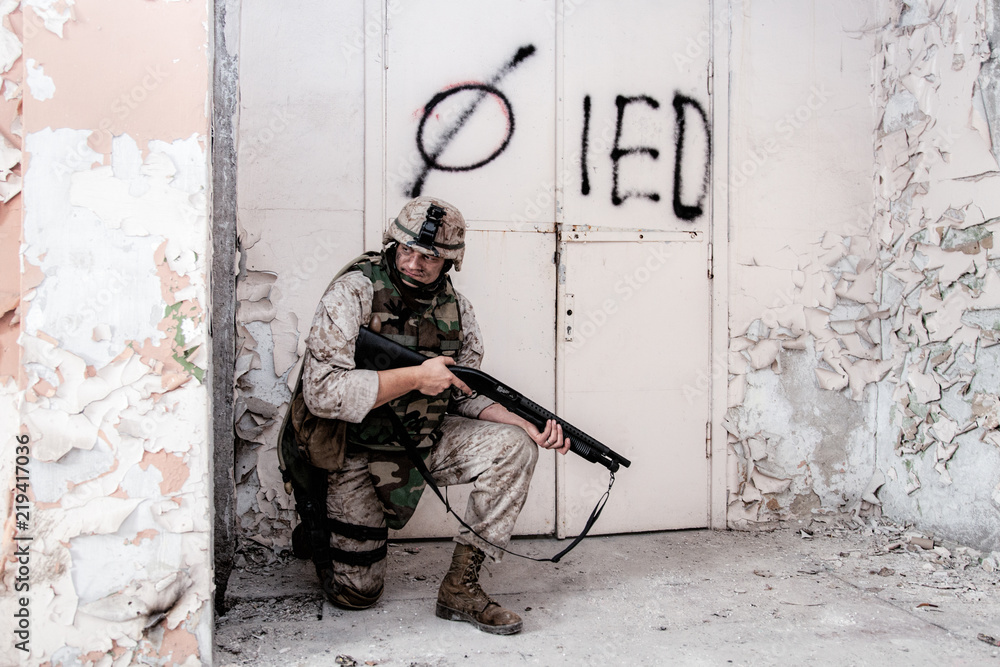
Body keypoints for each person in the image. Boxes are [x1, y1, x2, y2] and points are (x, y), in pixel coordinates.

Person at [279, 196, 570, 635]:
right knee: (356, 594)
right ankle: (320, 528)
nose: (415, 262)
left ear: (450, 261)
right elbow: (322, 394)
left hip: (420, 442)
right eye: (406, 249)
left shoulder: (459, 311)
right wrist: (416, 377)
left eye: (430, 256)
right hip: (353, 450)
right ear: (391, 243)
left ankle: (461, 587)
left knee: (515, 447)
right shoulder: (354, 292)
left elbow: (462, 395)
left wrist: (521, 424)